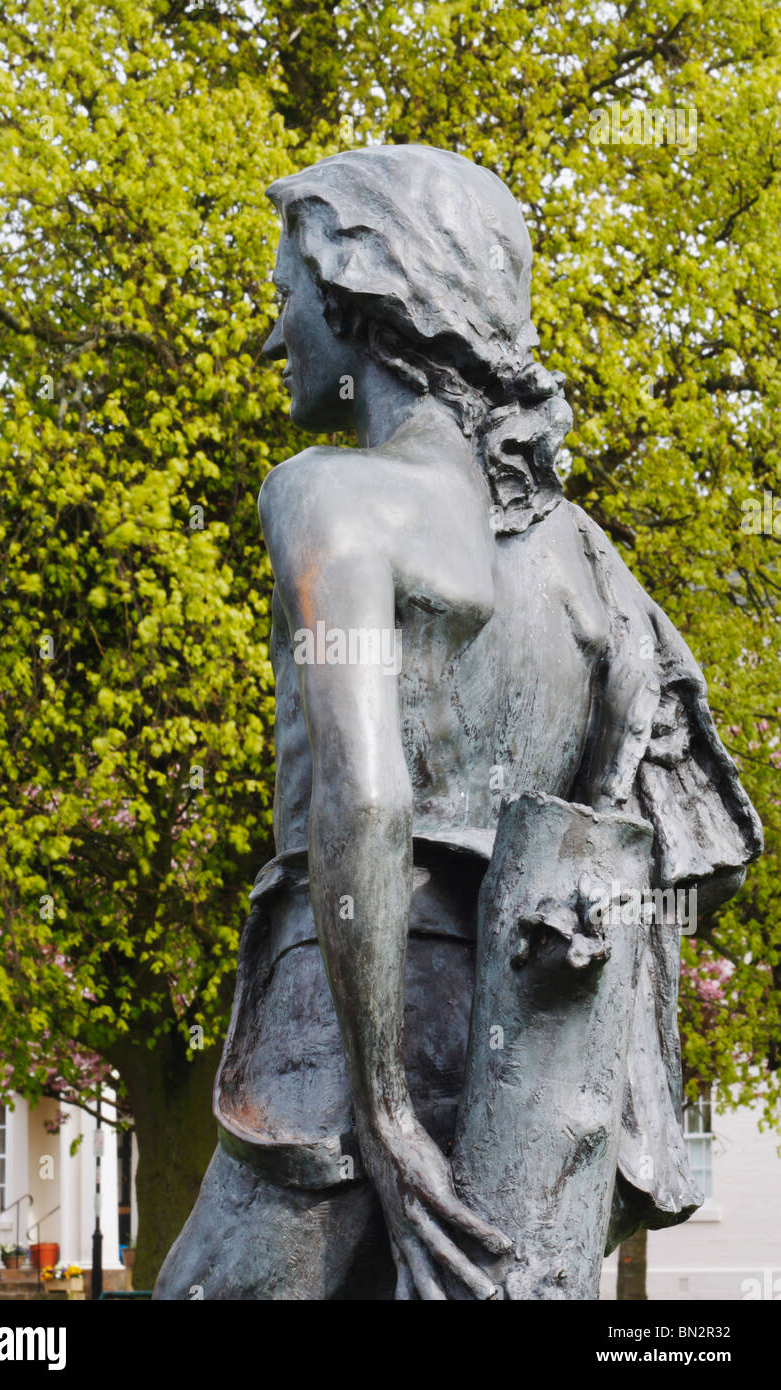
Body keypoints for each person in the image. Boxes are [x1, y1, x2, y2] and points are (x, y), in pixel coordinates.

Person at [153, 146, 761, 1300]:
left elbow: (363, 796)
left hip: (331, 1047)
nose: (273, 342)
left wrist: (380, 1108)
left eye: (288, 302)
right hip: (514, 1099)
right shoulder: (589, 570)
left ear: (361, 303)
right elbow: (697, 850)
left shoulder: (327, 493)